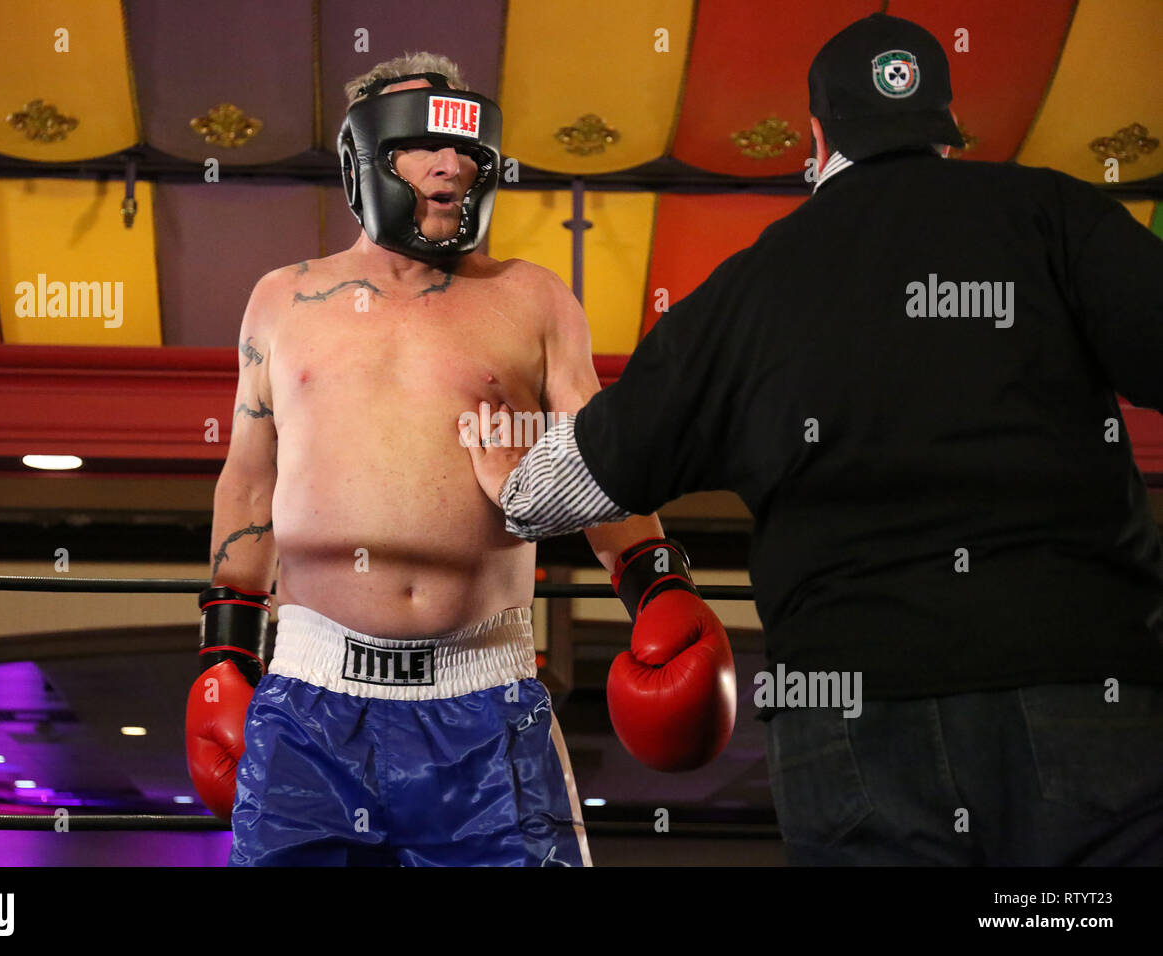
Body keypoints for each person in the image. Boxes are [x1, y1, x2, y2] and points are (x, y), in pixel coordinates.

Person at [463, 13, 1163, 866]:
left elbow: (588, 477)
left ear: (817, 139)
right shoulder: (1055, 214)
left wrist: (513, 476)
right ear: (946, 124)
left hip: (857, 710)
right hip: (1088, 691)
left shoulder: (753, 287)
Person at [184, 53, 735, 867]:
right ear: (368, 155)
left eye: (468, 149)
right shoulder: (283, 298)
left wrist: (657, 587)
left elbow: (600, 458)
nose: (453, 164)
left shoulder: (535, 297)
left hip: (484, 696)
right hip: (311, 697)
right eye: (424, 146)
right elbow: (251, 480)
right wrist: (225, 648)